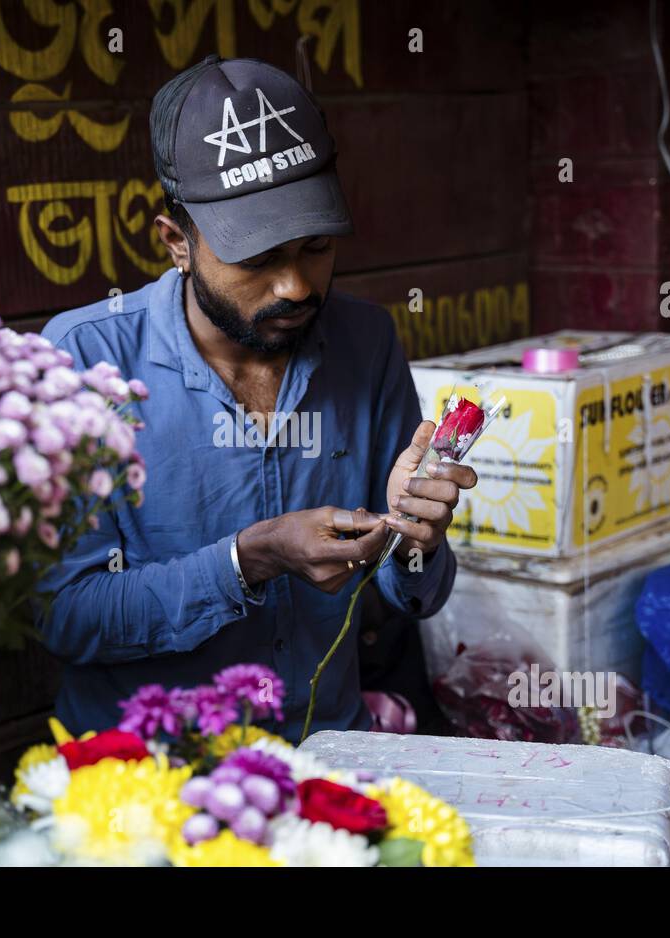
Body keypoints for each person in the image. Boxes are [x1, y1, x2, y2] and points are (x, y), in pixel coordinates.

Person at [38, 55, 476, 741]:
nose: (297, 286)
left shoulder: (365, 341)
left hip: (328, 760)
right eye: (259, 258)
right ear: (176, 242)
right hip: (142, 784)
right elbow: (65, 616)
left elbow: (412, 594)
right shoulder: (86, 360)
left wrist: (416, 541)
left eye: (315, 248)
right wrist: (249, 558)